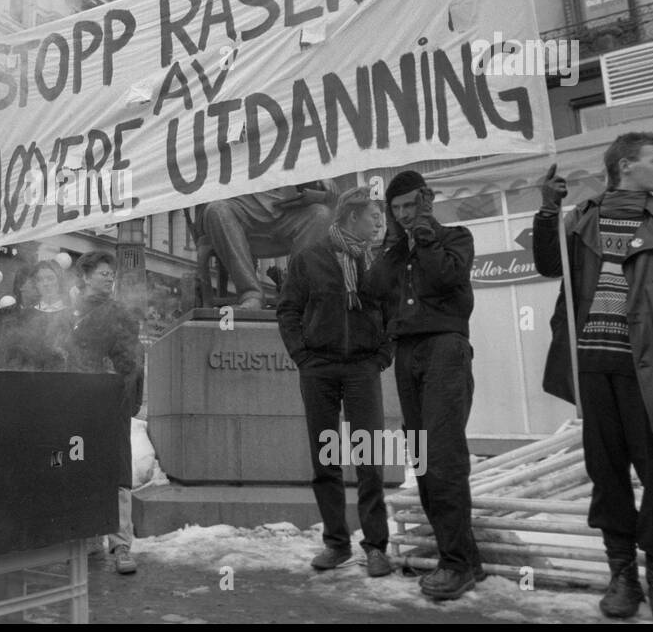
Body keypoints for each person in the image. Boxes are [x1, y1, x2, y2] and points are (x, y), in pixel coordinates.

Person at [534, 134, 653, 624]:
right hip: (593, 366)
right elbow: (549, 265)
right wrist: (546, 211)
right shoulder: (581, 219)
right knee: (606, 474)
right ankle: (622, 571)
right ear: (624, 165)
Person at [364, 170, 481, 600]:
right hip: (407, 352)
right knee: (425, 458)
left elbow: (445, 279)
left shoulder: (456, 238)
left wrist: (426, 234)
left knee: (445, 453)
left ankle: (455, 565)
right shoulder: (397, 250)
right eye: (396, 209)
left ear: (427, 201)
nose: (404, 214)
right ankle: (465, 557)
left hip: (446, 348)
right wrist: (396, 243)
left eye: (411, 205)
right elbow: (373, 288)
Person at [277, 187, 393, 577]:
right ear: (349, 217)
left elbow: (392, 312)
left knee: (370, 459)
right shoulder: (309, 259)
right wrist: (302, 355)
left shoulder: (378, 262)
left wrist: (382, 354)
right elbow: (288, 310)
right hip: (319, 369)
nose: (379, 222)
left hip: (363, 367)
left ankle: (376, 546)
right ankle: (336, 543)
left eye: (380, 217)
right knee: (327, 460)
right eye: (373, 216)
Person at [66, 250, 143, 575]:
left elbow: (130, 360)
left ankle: (121, 543)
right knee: (80, 466)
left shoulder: (121, 313)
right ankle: (87, 536)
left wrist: (117, 385)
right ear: (84, 276)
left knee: (116, 470)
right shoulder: (67, 313)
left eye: (111, 274)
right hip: (73, 401)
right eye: (102, 273)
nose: (109, 278)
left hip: (111, 401)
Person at [199, 181, 337, 309]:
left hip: (286, 210)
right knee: (216, 210)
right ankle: (251, 293)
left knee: (321, 215)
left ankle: (295, 294)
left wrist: (320, 177)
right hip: (237, 210)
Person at [0, 261, 70, 370]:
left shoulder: (72, 315)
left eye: (50, 278)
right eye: (40, 280)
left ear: (59, 280)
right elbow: (10, 355)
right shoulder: (22, 316)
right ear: (35, 284)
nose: (46, 283)